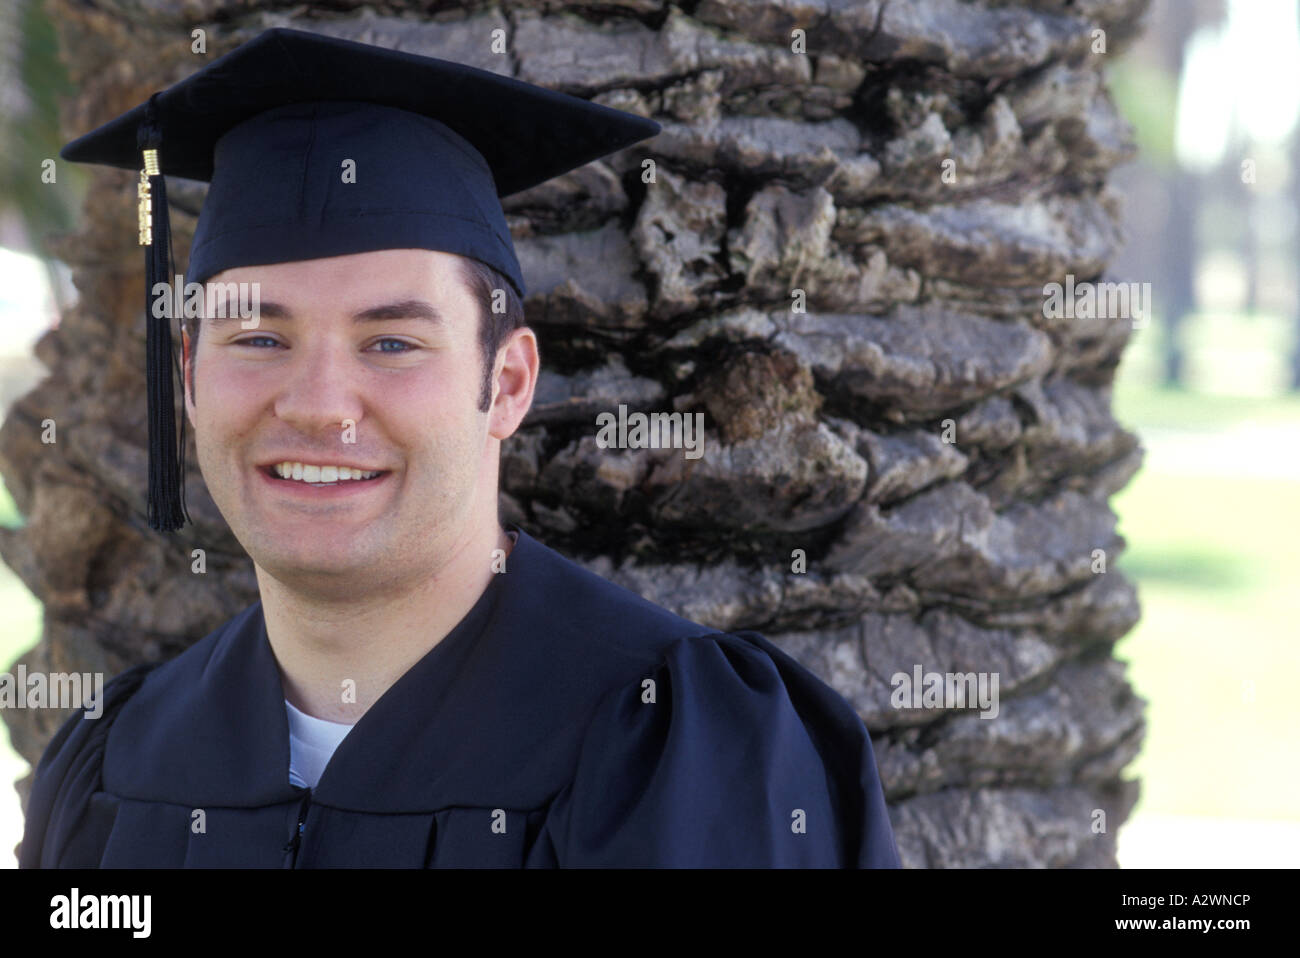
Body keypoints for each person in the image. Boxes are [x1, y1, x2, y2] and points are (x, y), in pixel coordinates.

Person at [19, 27, 901, 868]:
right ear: (190, 374)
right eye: (258, 339)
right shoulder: (113, 765)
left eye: (391, 343)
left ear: (508, 384)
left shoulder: (671, 745)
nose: (322, 407)